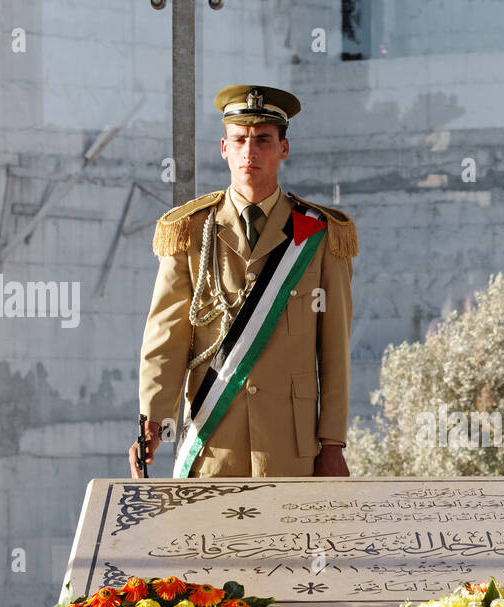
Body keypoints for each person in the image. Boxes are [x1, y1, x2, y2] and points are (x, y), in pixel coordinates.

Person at [129, 84, 356, 478]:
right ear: (224, 147)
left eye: (264, 140)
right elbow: (167, 335)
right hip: (213, 441)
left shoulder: (317, 234)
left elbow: (334, 350)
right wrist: (152, 419)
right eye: (240, 140)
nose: (250, 151)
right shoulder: (189, 230)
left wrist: (332, 442)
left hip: (291, 448)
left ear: (284, 149)